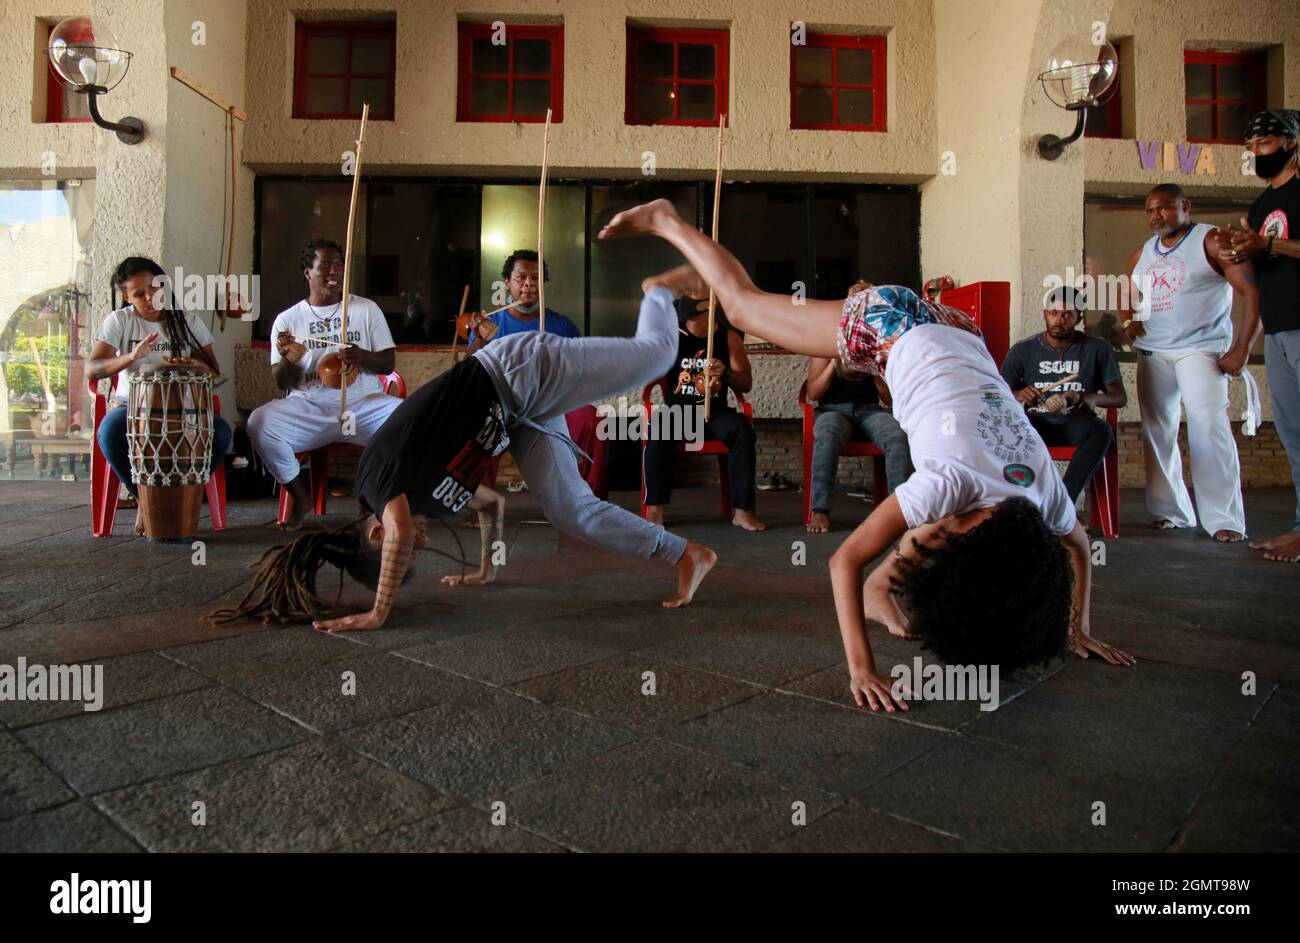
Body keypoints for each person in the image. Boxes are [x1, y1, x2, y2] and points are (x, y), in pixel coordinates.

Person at [598, 199, 1133, 712]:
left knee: (943, 522)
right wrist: (862, 667)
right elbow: (843, 560)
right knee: (740, 304)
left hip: (956, 331)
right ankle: (668, 221)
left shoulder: (1041, 500)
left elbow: (1078, 549)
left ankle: (883, 589)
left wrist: (1076, 626)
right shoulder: (950, 481)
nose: (943, 537)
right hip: (889, 325)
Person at [308, 269, 717, 633]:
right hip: (519, 414)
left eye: (412, 546)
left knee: (656, 355)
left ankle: (659, 290)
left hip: (517, 369)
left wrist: (378, 612)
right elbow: (490, 506)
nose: (421, 542)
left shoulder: (377, 479)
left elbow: (397, 528)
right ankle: (686, 555)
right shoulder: (422, 502)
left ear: (379, 531)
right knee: (571, 511)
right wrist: (486, 570)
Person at [1121, 184, 1260, 542]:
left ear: (1186, 206)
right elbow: (1124, 288)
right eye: (1150, 211)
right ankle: (1172, 512)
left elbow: (1250, 291)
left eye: (1164, 209)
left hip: (1200, 349)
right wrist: (1127, 321)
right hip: (1154, 351)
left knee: (1207, 426)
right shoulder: (1144, 253)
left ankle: (1224, 519)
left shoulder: (1210, 240)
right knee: (1157, 430)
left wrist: (1242, 347)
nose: (1156, 217)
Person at [247, 239, 399, 529]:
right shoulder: (287, 320)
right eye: (325, 265)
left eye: (339, 264)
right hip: (310, 407)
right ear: (307, 272)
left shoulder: (365, 309)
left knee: (407, 420)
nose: (334, 271)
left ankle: (372, 500)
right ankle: (299, 496)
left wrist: (360, 356)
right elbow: (283, 382)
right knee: (259, 423)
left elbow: (389, 364)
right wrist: (289, 357)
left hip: (362, 404)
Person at [88, 257, 231, 536]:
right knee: (109, 432)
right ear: (127, 297)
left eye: (154, 287)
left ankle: (181, 498)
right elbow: (93, 369)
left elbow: (213, 373)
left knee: (221, 433)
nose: (150, 297)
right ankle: (145, 498)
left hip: (186, 408)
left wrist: (195, 366)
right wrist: (132, 356)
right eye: (139, 293)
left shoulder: (186, 321)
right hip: (132, 407)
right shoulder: (120, 321)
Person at [1219, 110, 1300, 562]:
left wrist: (1267, 245)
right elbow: (1257, 273)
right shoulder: (1260, 205)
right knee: (1293, 432)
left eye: (1264, 145)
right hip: (1280, 331)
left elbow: (1274, 249)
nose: (1256, 155)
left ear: (1290, 143)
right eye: (1251, 149)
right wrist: (1239, 247)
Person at [466, 249, 607, 498]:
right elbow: (470, 372)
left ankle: (589, 502)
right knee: (479, 421)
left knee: (591, 419)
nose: (529, 284)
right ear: (507, 283)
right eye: (521, 278)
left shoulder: (562, 325)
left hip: (551, 405)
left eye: (536, 278)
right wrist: (477, 337)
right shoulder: (490, 325)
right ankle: (482, 503)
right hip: (506, 407)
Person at [642, 295, 765, 531]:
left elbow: (745, 383)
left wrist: (726, 373)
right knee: (659, 427)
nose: (689, 321)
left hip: (715, 412)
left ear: (709, 310)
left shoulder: (728, 337)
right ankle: (655, 509)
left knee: (742, 429)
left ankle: (742, 511)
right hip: (679, 411)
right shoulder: (672, 336)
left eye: (694, 316)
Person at [1001, 286, 1126, 504]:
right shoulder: (1023, 350)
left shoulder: (1097, 348)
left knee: (1102, 431)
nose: (1059, 320)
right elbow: (996, 394)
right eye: (1053, 313)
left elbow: (1119, 397)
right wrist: (1019, 393)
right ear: (1045, 315)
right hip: (1036, 423)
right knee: (1007, 432)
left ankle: (1063, 504)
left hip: (1076, 423)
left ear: (1078, 318)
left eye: (1067, 315)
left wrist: (1092, 398)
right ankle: (1024, 506)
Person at [806, 280, 911, 533]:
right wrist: (834, 360)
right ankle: (820, 511)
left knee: (897, 435)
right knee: (828, 433)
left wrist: (874, 366)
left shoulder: (879, 340)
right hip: (833, 410)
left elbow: (888, 399)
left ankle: (897, 511)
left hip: (869, 411)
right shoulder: (828, 338)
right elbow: (813, 392)